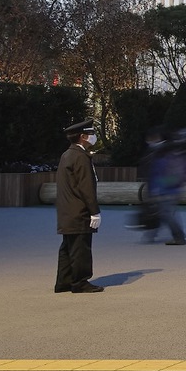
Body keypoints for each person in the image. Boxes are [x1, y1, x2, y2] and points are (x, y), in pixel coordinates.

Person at [54, 118, 102, 293]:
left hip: (67, 210)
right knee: (81, 248)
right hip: (79, 210)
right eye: (91, 134)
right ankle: (80, 282)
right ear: (83, 136)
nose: (93, 137)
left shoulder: (67, 154)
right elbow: (86, 187)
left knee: (68, 248)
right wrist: (94, 212)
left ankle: (64, 282)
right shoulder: (80, 157)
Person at [144, 129, 186, 246]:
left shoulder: (162, 153)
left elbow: (159, 172)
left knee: (167, 213)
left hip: (166, 189)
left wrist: (156, 188)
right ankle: (154, 233)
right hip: (169, 188)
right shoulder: (170, 151)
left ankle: (178, 237)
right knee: (165, 212)